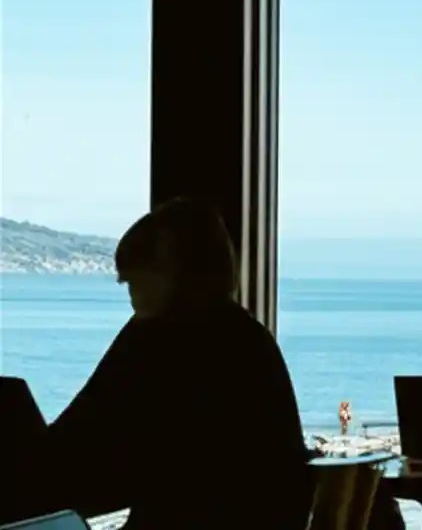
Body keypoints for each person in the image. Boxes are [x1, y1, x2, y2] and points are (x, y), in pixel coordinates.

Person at [37, 197, 312, 529]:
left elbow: (81, 437)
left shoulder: (156, 340)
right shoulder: (250, 339)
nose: (133, 298)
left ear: (171, 272)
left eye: (135, 282)